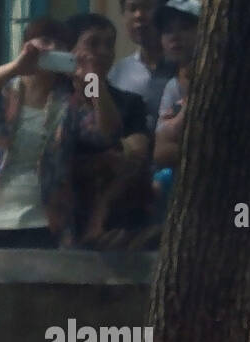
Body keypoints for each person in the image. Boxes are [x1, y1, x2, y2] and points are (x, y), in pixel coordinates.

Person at [0, 17, 122, 248]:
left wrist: (94, 81)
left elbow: (107, 134)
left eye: (61, 46)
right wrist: (15, 67)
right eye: (45, 41)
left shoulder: (69, 105)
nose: (52, 49)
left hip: (44, 224)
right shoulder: (0, 94)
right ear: (26, 46)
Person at [66, 12, 152, 246]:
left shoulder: (129, 102)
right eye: (93, 44)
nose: (103, 52)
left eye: (109, 45)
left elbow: (135, 153)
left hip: (115, 213)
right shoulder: (55, 99)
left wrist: (95, 83)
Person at [151, 0, 199, 212]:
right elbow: (161, 152)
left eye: (185, 27)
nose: (174, 36)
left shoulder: (224, 80)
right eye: (167, 30)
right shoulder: (169, 85)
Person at [108, 0, 172, 132]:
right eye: (132, 8)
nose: (139, 15)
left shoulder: (185, 69)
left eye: (147, 7)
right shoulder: (117, 73)